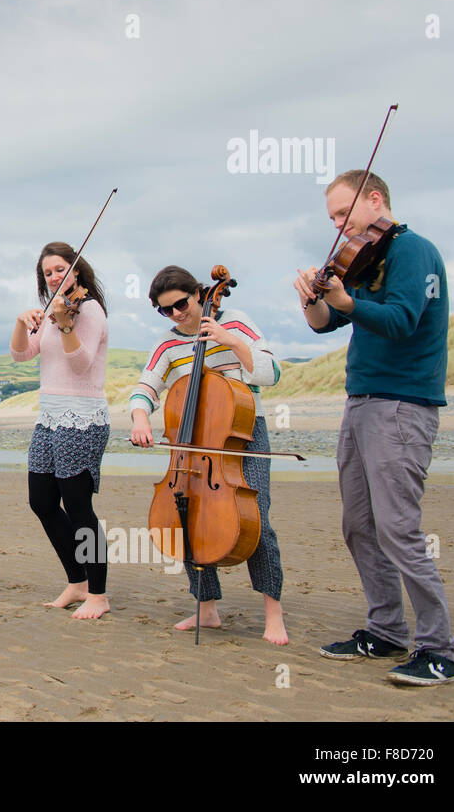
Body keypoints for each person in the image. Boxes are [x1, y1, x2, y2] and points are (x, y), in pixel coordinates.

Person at [295, 170, 454, 685]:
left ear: (375, 200)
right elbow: (325, 323)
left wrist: (347, 302)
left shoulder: (413, 251)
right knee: (359, 525)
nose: (340, 228)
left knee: (397, 528)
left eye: (344, 214)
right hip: (361, 401)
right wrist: (314, 300)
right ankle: (385, 630)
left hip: (402, 404)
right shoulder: (365, 259)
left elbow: (402, 319)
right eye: (333, 220)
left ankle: (439, 650)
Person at [129, 266, 289, 645]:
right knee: (184, 513)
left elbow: (272, 372)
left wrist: (230, 340)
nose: (176, 315)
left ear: (200, 294)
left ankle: (273, 612)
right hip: (193, 444)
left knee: (258, 520)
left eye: (181, 305)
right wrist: (140, 417)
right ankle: (206, 607)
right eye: (166, 310)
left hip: (243, 435)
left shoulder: (235, 321)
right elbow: (146, 387)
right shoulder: (167, 344)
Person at [10, 243, 111, 619]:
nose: (54, 276)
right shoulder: (52, 312)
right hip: (49, 418)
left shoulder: (90, 310)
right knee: (42, 501)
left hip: (83, 419)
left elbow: (82, 364)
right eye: (48, 272)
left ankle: (98, 593)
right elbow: (21, 354)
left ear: (77, 271)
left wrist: (66, 323)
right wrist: (22, 323)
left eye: (60, 269)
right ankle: (77, 580)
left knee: (79, 506)